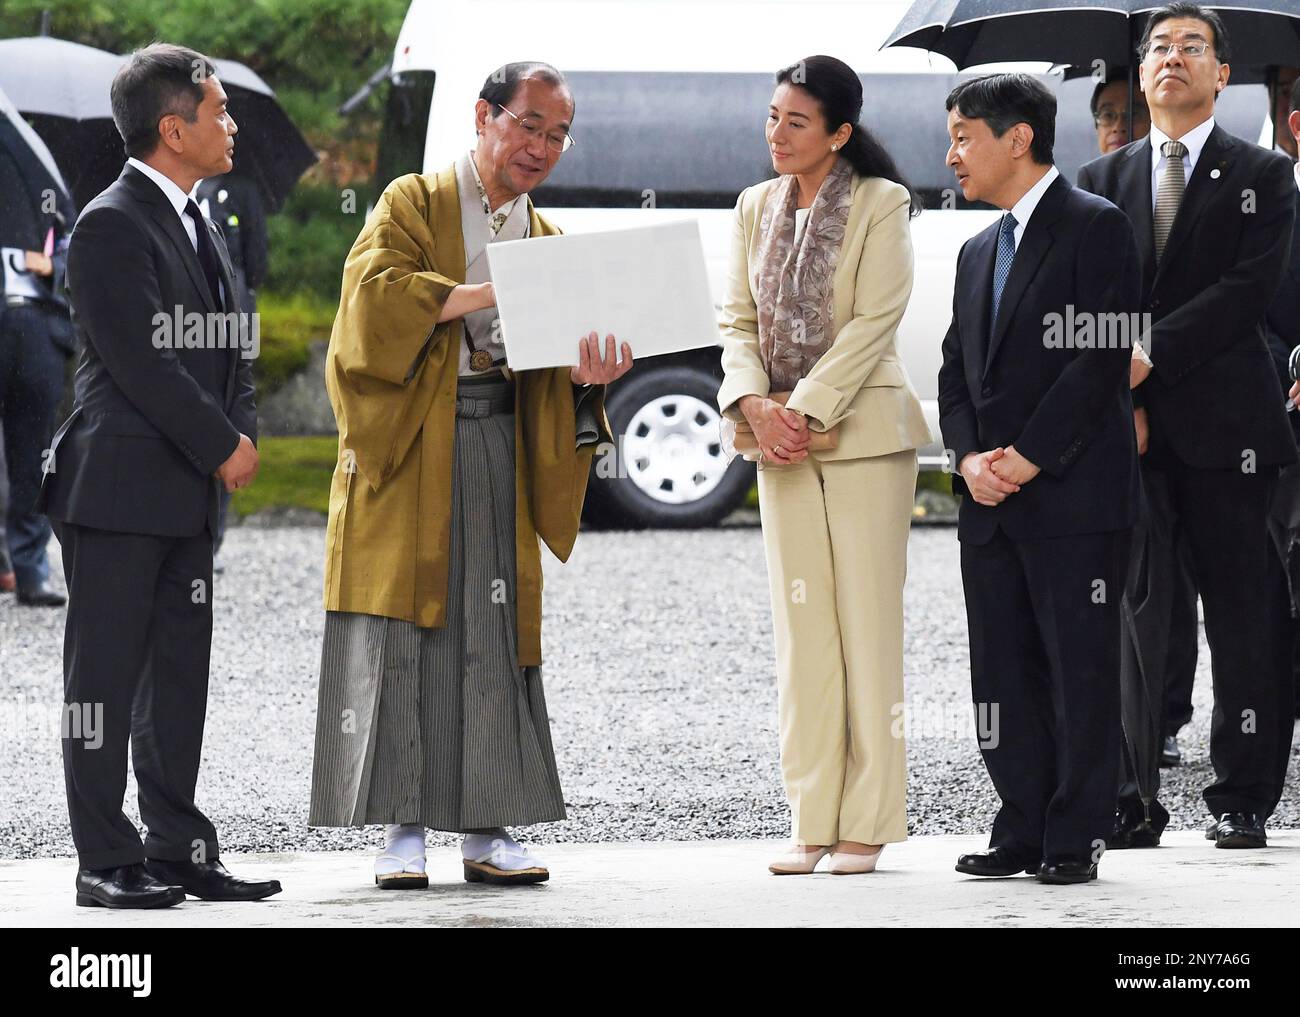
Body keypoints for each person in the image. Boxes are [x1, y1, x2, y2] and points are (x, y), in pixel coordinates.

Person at [308, 61, 632, 889]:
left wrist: (590, 375)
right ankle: (400, 828)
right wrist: (483, 290)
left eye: (558, 135)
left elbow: (554, 374)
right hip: (412, 445)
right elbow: (369, 306)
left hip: (498, 448)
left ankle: (487, 827)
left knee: (492, 638)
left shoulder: (547, 239)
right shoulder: (411, 202)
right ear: (484, 116)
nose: (542, 148)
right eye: (529, 126)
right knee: (405, 632)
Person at [37, 43, 281, 907]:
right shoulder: (109, 222)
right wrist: (223, 443)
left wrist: (238, 432)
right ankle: (103, 858)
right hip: (115, 490)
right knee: (100, 685)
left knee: (179, 679)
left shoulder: (202, 217)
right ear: (174, 128)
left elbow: (230, 346)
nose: (232, 124)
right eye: (219, 111)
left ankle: (175, 846)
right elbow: (142, 361)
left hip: (185, 493)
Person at [1078, 3, 1298, 850]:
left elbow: (1246, 293)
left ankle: (1243, 794)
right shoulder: (1098, 183)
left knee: (1244, 615)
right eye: (1160, 48)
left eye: (1192, 48)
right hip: (1129, 433)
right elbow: (1087, 305)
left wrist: (1148, 355)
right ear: (1142, 74)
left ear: (1221, 74)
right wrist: (1123, 396)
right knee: (1136, 618)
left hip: (1232, 431)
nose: (1174, 59)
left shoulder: (1263, 174)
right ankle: (1131, 796)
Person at [716, 54, 931, 877]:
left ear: (839, 133)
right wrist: (754, 408)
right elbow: (735, 319)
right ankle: (812, 818)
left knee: (867, 630)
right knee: (802, 635)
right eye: (773, 116)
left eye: (796, 121)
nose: (777, 133)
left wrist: (801, 409)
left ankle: (868, 821)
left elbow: (877, 320)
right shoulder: (751, 205)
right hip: (774, 440)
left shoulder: (883, 202)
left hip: (864, 435)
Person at [939, 73, 1141, 884]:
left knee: (1077, 667)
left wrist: (1026, 457)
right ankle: (1019, 823)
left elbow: (1102, 360)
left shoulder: (1099, 228)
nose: (952, 153)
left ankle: (1075, 832)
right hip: (989, 500)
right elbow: (957, 370)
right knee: (1002, 670)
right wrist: (966, 459)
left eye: (963, 136)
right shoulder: (974, 247)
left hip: (1074, 495)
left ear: (1017, 138)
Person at [0, 146, 76, 607]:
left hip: (35, 326)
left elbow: (78, 250)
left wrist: (52, 266)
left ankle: (30, 569)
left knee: (33, 452)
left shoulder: (45, 181)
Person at [196, 171, 267, 570]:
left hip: (215, 318)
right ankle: (202, 534)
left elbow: (257, 259)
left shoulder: (236, 192)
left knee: (220, 423)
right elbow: (258, 259)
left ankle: (206, 535)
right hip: (207, 320)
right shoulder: (195, 191)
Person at [1092, 69, 1151, 155]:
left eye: (1133, 114)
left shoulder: (1170, 168)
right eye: (1108, 115)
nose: (1118, 127)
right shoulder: (1087, 168)